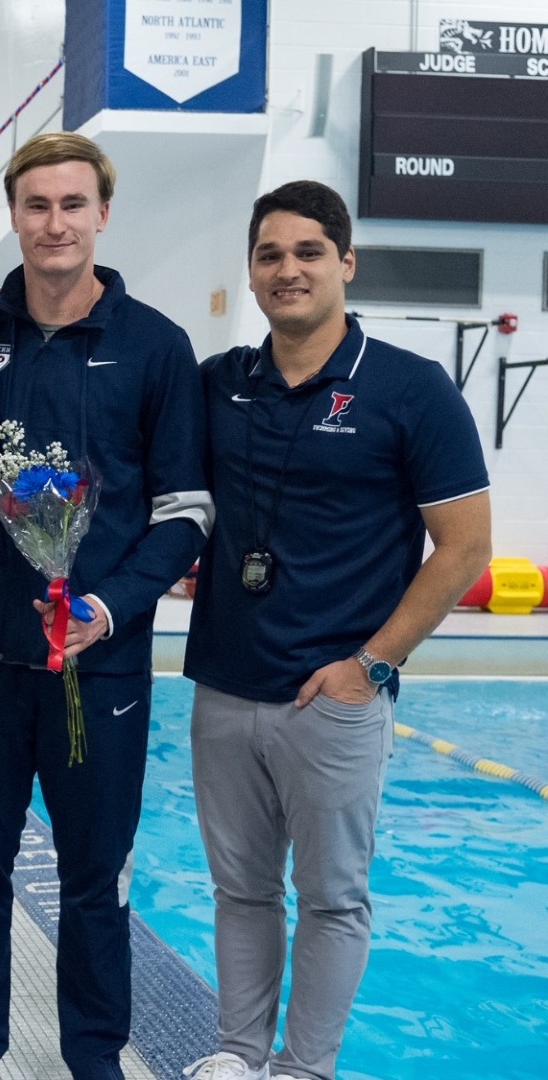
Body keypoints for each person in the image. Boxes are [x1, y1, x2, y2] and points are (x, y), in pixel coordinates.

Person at [181, 182, 491, 1080]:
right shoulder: (220, 385)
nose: (289, 270)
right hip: (225, 685)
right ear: (250, 271)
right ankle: (239, 1055)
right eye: (271, 255)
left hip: (336, 697)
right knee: (240, 891)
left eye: (309, 252)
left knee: (332, 899)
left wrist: (371, 666)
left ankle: (304, 1068)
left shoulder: (410, 389)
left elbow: (466, 548)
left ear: (345, 264)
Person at [0, 132, 212, 1080]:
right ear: (13, 216)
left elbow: (184, 514)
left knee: (96, 882)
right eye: (37, 206)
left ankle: (95, 1059)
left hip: (101, 662)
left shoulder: (155, 346)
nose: (55, 224)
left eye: (72, 205)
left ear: (102, 213)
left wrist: (109, 605)